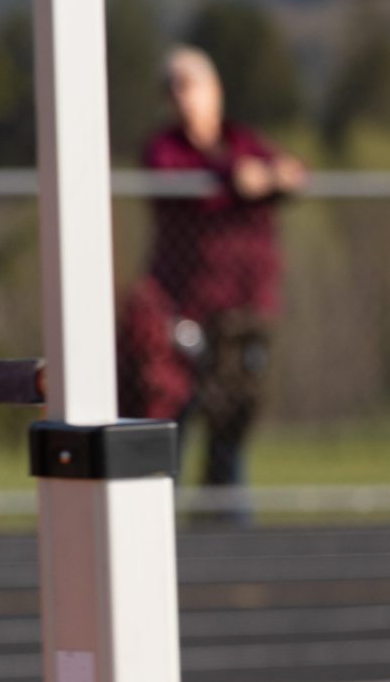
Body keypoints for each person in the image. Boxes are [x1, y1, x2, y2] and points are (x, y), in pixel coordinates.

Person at [117, 46, 306, 509]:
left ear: (215, 91)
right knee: (172, 412)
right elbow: (189, 185)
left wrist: (268, 176)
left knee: (232, 423)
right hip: (185, 307)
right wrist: (233, 179)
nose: (183, 98)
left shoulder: (244, 141)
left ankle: (227, 534)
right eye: (173, 89)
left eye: (190, 85)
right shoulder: (166, 149)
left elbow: (292, 174)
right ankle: (154, 521)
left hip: (245, 307)